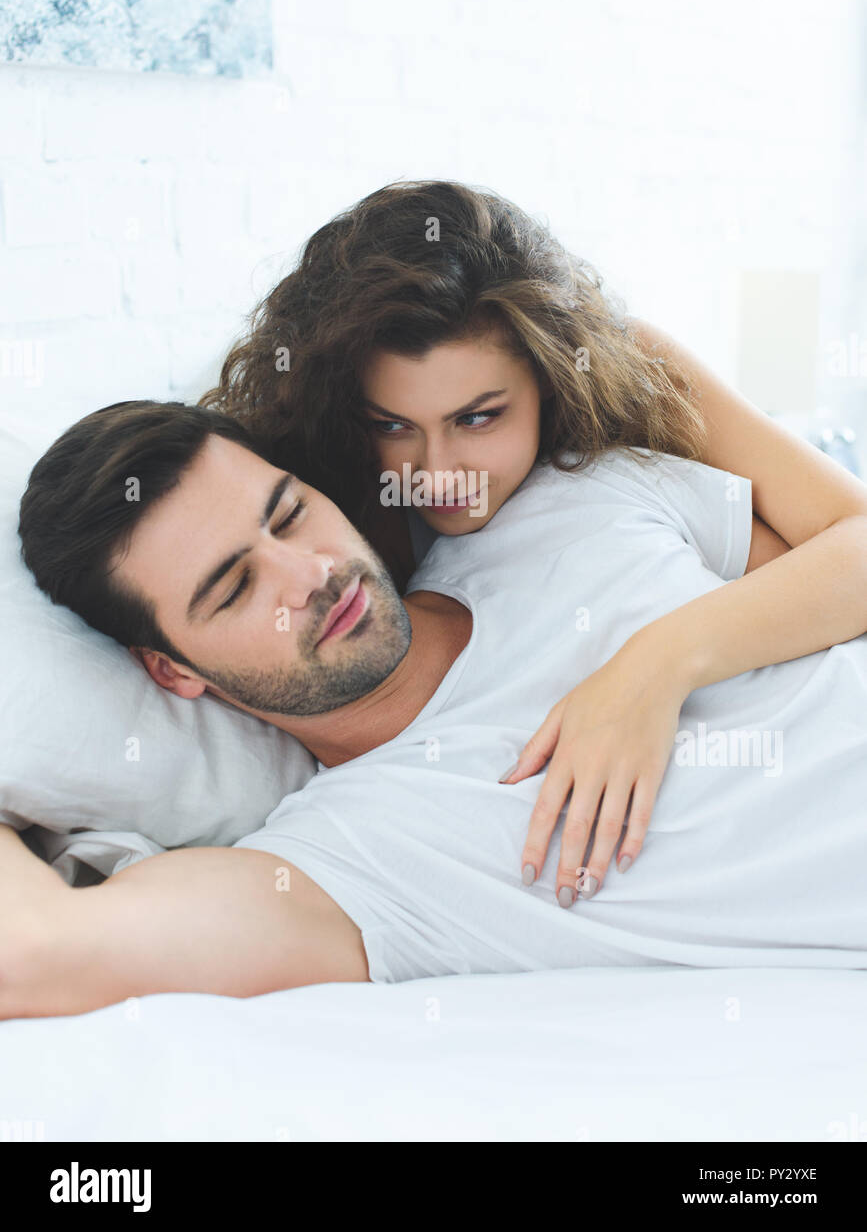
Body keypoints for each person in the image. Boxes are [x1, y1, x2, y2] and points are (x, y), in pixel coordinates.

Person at [4, 399, 867, 1020]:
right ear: (175, 672)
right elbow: (33, 956)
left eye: (290, 515)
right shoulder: (349, 862)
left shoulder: (563, 504)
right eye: (235, 587)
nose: (309, 576)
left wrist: (660, 663)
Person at [199, 178, 867, 888]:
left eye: (479, 417)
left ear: (548, 381)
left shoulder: (629, 390)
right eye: (391, 424)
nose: (438, 472)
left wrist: (653, 665)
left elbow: (845, 542)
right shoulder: (324, 517)